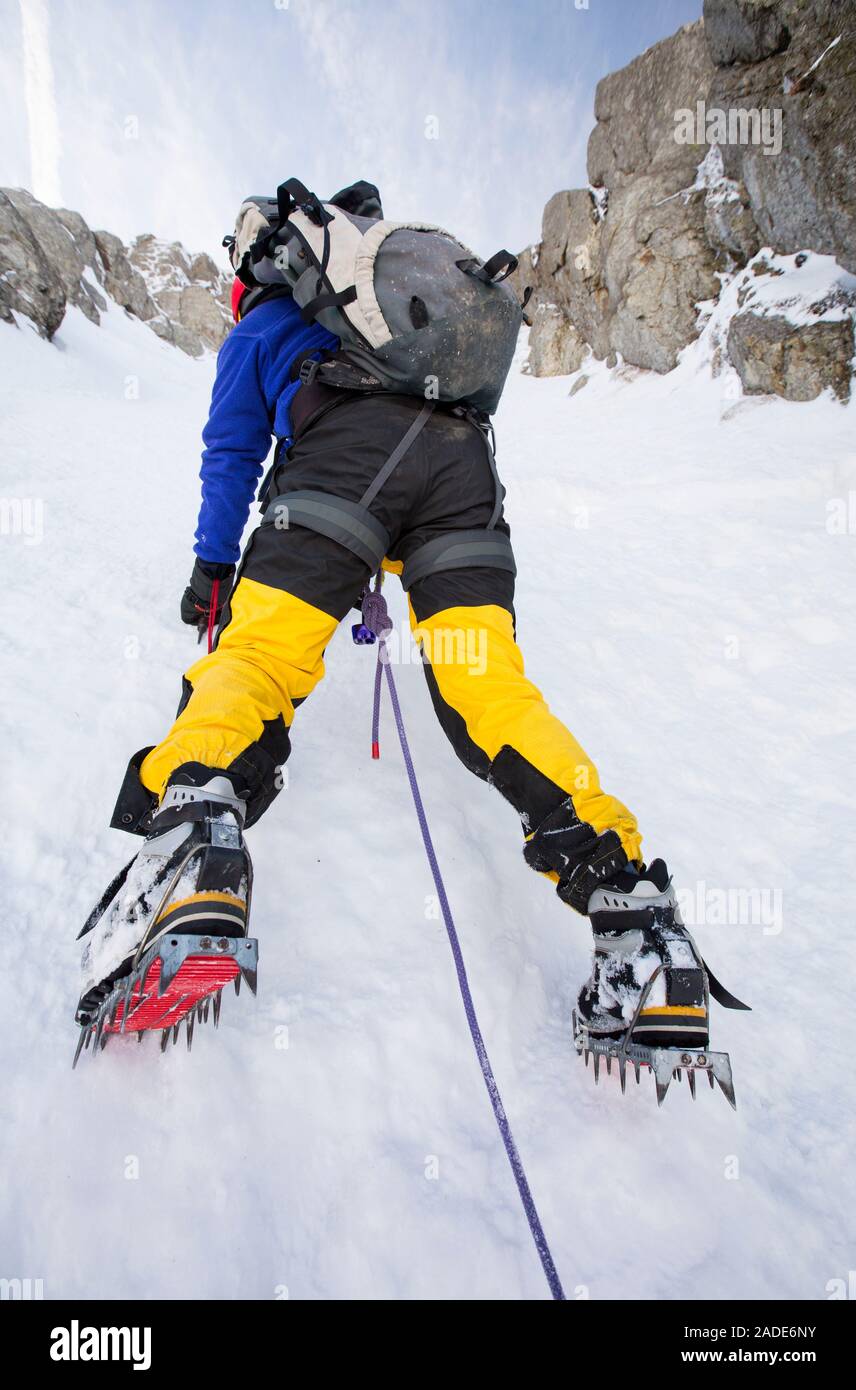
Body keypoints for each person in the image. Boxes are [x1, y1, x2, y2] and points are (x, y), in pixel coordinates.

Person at [76, 178, 727, 1072]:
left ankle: (195, 835)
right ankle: (634, 912)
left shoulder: (266, 326)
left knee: (262, 657)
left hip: (345, 464)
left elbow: (233, 451)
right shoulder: (393, 329)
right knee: (488, 688)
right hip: (463, 470)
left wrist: (214, 565)